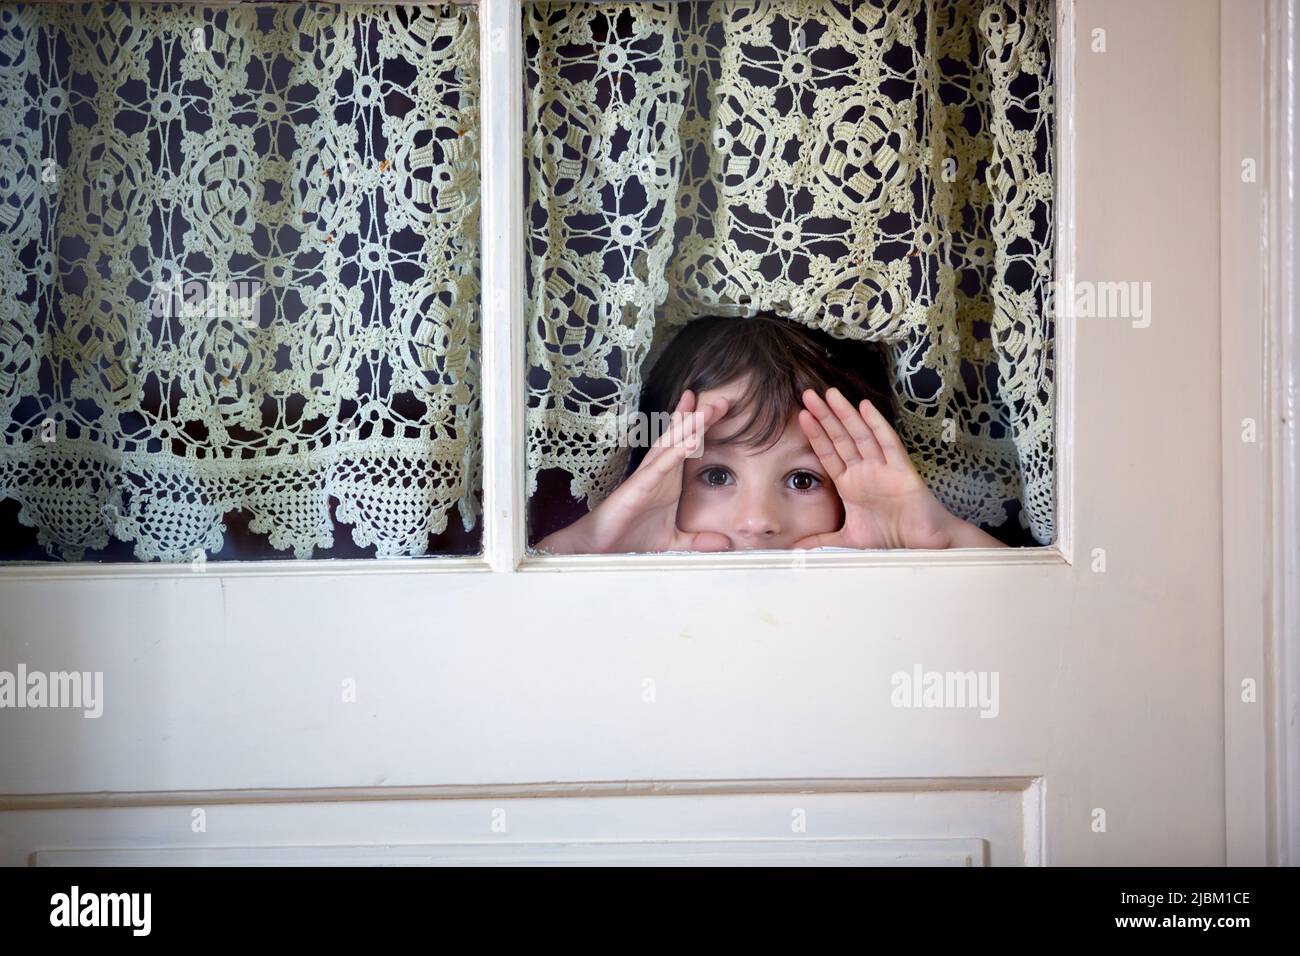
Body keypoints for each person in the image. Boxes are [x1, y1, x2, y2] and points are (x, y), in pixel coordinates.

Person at [535, 313, 1007, 554]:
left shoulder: (870, 583)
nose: (758, 521)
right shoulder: (634, 590)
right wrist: (591, 547)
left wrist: (940, 539)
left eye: (803, 480)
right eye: (717, 475)